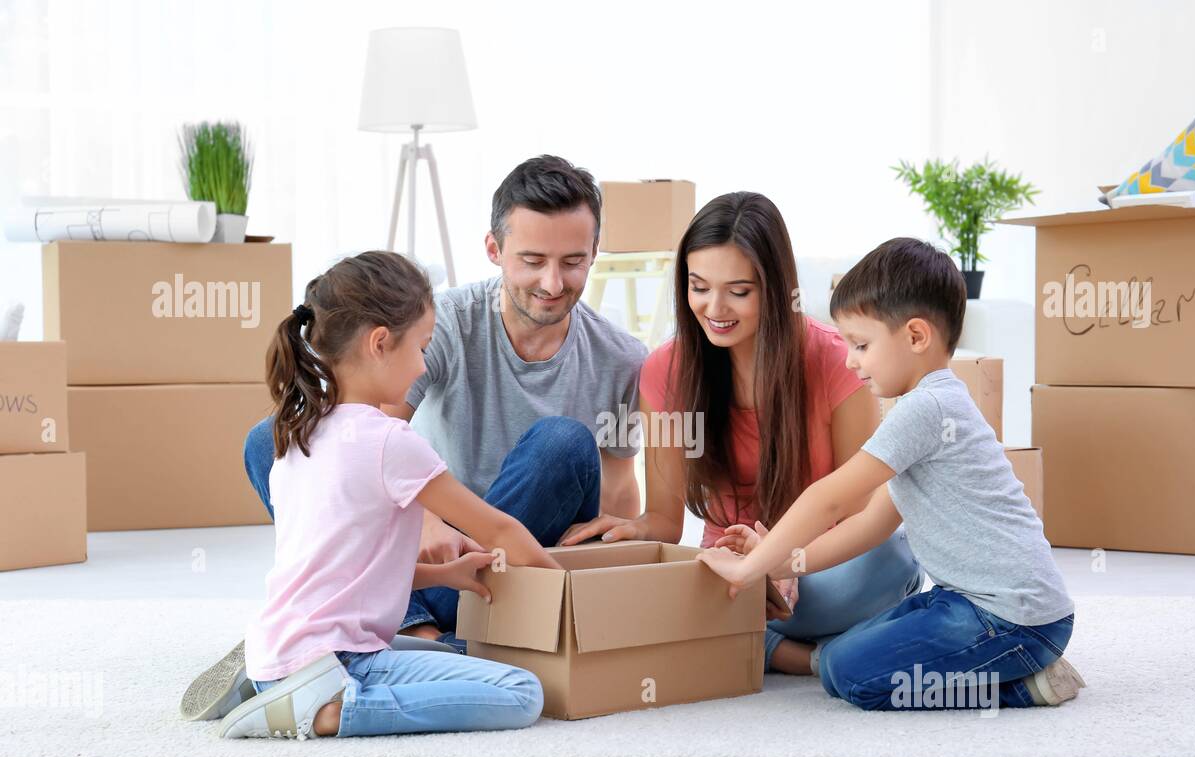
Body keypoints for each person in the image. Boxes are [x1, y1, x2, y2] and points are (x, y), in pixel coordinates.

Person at [181, 155, 647, 720]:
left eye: (573, 261)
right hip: (419, 542)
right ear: (494, 251)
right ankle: (400, 639)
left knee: (562, 444)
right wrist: (429, 526)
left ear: (596, 252)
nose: (553, 283)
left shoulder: (620, 357)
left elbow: (618, 496)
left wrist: (616, 585)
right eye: (533, 260)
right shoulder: (437, 321)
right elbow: (373, 430)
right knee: (273, 439)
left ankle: (342, 639)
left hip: (491, 564)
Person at [695, 237, 1084, 710]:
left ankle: (1026, 686)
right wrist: (779, 562)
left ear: (916, 337)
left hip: (1015, 619)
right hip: (967, 601)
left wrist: (750, 568)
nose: (849, 360)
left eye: (860, 344)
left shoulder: (926, 408)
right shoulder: (930, 406)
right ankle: (1014, 666)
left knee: (849, 675)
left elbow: (831, 500)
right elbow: (871, 524)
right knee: (839, 655)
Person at [560, 192, 923, 674]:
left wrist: (785, 559)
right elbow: (667, 520)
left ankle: (757, 643)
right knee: (660, 596)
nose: (714, 307)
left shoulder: (835, 360)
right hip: (735, 576)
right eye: (699, 286)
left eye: (739, 290)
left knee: (884, 562)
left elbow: (857, 508)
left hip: (819, 563)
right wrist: (628, 533)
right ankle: (812, 655)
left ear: (775, 288)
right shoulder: (666, 371)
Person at [210, 251, 555, 739]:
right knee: (522, 693)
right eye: (421, 347)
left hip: (285, 646)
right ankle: (328, 710)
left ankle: (274, 684)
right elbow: (497, 528)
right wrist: (573, 593)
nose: (422, 366)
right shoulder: (389, 441)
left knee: (456, 656)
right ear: (379, 343)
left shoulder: (300, 431)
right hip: (341, 658)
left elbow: (340, 568)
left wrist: (443, 574)